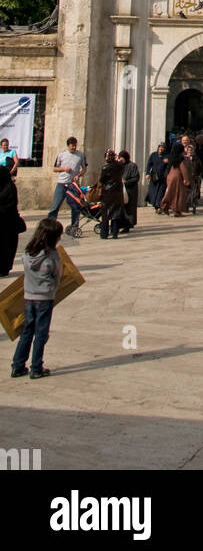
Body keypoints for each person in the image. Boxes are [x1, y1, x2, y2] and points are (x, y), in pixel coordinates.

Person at [10, 217, 63, 379]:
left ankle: (18, 365)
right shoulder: (52, 256)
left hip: (29, 296)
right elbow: (57, 275)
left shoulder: (27, 253)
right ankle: (36, 367)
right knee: (41, 333)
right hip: (44, 298)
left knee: (27, 331)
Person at [47, 137, 87, 230]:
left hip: (73, 185)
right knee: (55, 205)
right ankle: (50, 225)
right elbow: (54, 168)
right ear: (68, 146)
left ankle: (74, 226)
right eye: (72, 146)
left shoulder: (80, 155)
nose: (73, 147)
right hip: (62, 183)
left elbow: (84, 169)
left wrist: (79, 175)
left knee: (75, 206)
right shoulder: (61, 155)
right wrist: (63, 169)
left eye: (75, 146)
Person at [0, 165, 22, 275]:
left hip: (9, 224)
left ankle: (5, 268)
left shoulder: (10, 188)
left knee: (7, 248)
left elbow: (10, 206)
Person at [98, 151, 126, 240]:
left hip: (108, 192)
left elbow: (102, 179)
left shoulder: (105, 167)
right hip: (118, 191)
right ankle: (114, 233)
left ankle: (104, 234)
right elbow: (122, 162)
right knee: (116, 213)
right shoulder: (120, 166)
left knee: (105, 213)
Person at [161, 143, 193, 217]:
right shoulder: (181, 158)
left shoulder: (171, 157)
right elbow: (183, 169)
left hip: (170, 176)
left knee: (170, 192)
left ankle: (165, 205)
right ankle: (176, 211)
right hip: (177, 177)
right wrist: (186, 179)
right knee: (178, 194)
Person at [118, 151, 140, 232]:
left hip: (130, 190)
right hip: (121, 190)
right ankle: (121, 224)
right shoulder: (120, 166)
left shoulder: (132, 166)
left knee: (129, 208)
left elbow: (136, 177)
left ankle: (128, 225)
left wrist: (126, 182)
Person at [145, 143, 168, 210]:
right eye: (160, 147)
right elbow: (149, 164)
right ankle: (155, 205)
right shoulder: (153, 155)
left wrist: (167, 162)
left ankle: (158, 206)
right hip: (154, 176)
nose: (161, 149)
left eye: (162, 147)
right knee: (153, 191)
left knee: (161, 192)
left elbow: (169, 166)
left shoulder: (166, 156)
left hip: (163, 177)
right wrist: (148, 173)